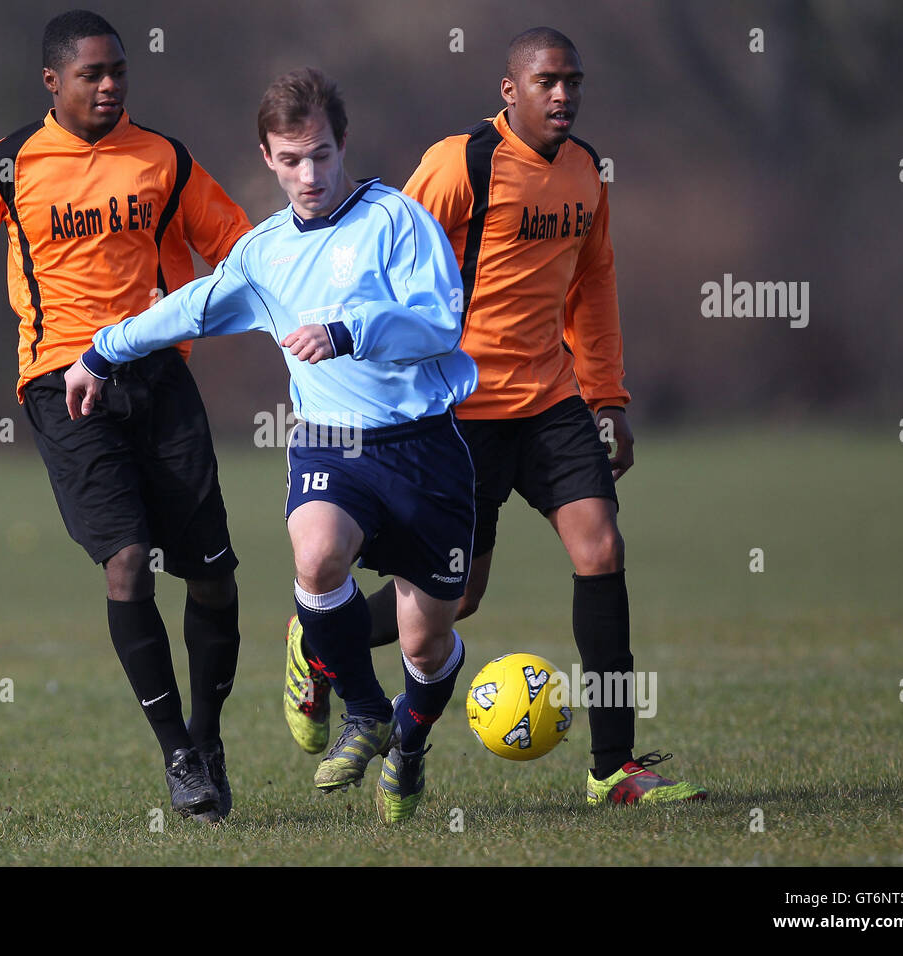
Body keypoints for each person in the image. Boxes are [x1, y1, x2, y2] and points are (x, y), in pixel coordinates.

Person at [281, 28, 707, 805]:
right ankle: (320, 639)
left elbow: (594, 285)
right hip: (458, 412)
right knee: (456, 600)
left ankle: (613, 766)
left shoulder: (585, 172)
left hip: (551, 402)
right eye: (546, 81)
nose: (563, 95)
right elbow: (384, 253)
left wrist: (608, 398)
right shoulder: (460, 163)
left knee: (601, 549)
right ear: (510, 90)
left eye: (573, 80)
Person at [65, 68, 479, 824]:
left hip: (423, 450)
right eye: (291, 160)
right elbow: (191, 306)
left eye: (321, 154)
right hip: (330, 445)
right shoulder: (264, 252)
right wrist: (103, 349)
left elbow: (441, 324)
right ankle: (362, 710)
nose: (310, 174)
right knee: (316, 556)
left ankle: (410, 744)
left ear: (342, 143)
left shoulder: (396, 220)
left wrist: (350, 332)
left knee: (426, 643)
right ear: (267, 157)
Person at [0, 10, 251, 823]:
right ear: (51, 82)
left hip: (158, 377)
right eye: (92, 74)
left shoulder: (164, 158)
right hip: (61, 385)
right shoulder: (3, 165)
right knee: (128, 563)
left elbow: (240, 246)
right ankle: (177, 754)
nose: (109, 87)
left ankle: (207, 735)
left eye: (119, 73)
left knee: (210, 574)